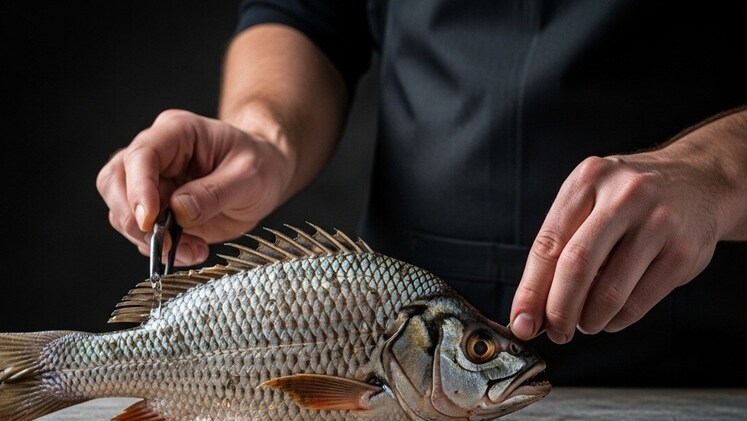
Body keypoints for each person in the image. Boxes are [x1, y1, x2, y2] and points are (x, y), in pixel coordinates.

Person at [97, 1, 747, 386]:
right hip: (393, 362)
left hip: (707, 376)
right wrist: (263, 134)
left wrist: (717, 169)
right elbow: (306, 15)